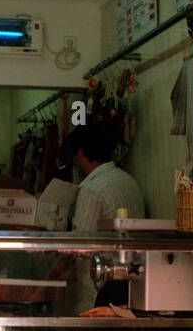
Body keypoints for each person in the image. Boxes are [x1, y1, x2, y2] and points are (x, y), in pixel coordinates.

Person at [52, 123, 145, 311]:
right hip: (133, 279)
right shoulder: (128, 181)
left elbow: (81, 244)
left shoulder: (91, 190)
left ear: (80, 153)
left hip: (100, 286)